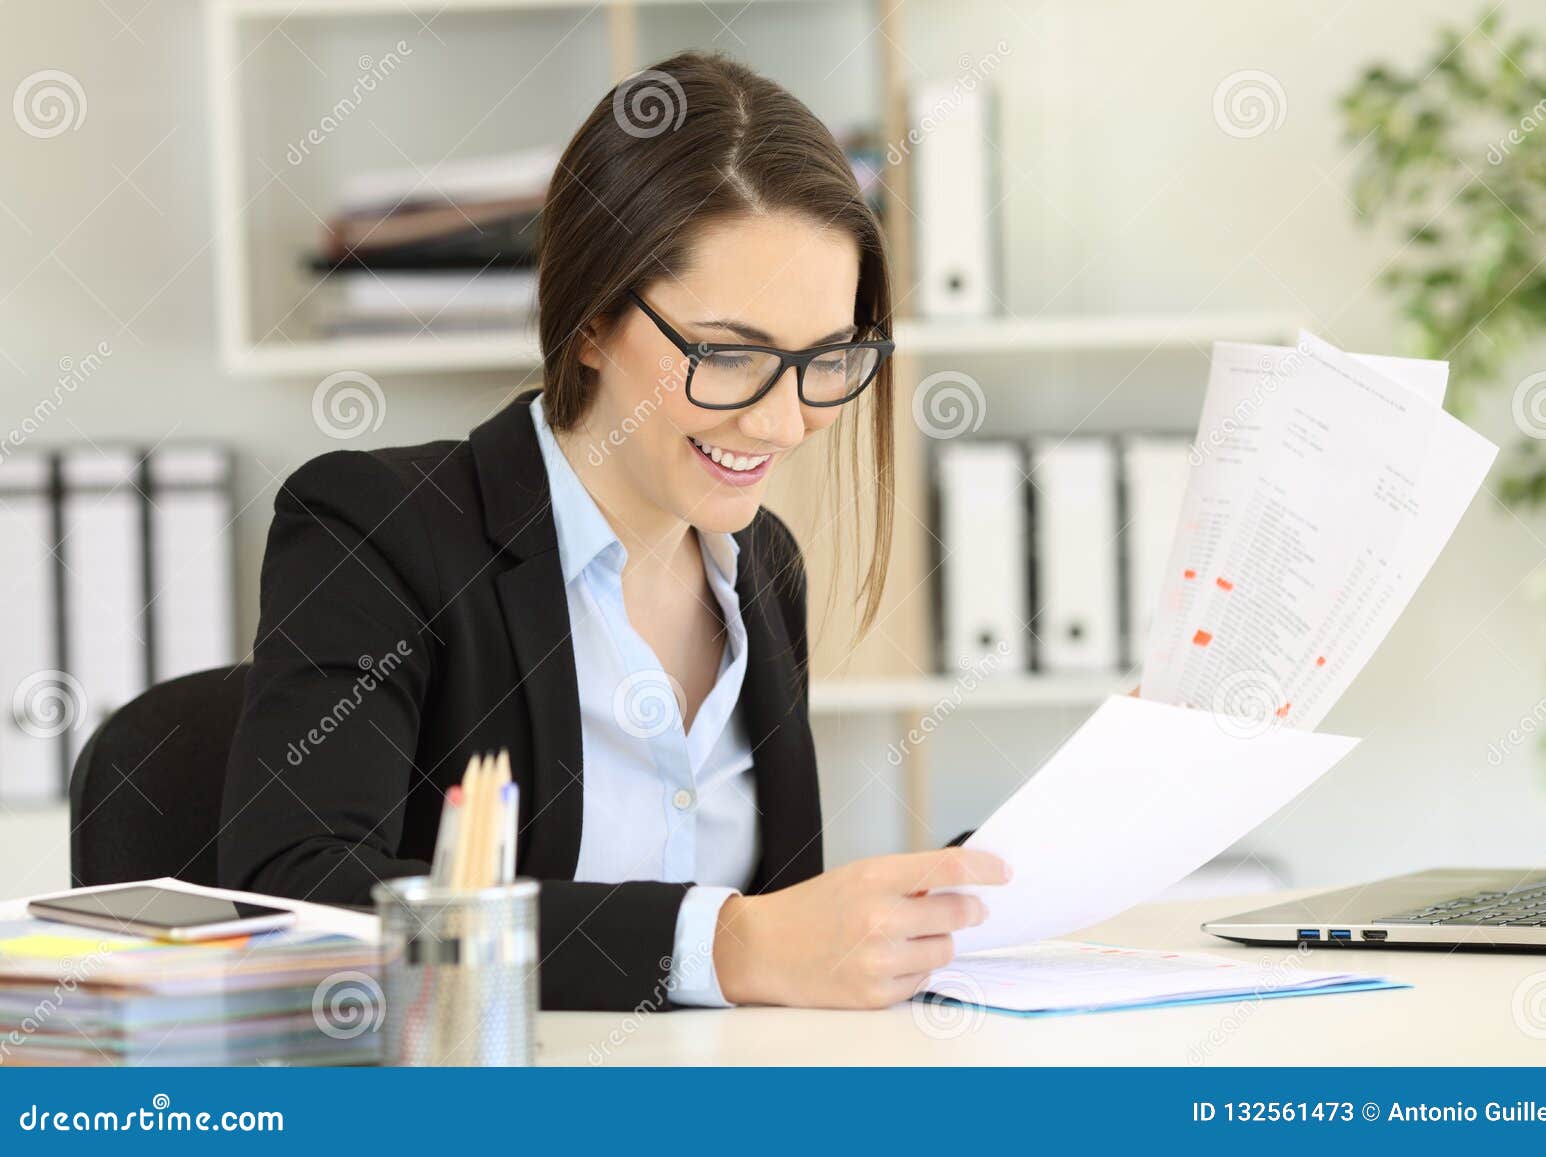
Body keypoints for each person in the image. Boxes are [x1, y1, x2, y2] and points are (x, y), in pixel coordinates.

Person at [218, 50, 1009, 1011]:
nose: (780, 422)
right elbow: (295, 900)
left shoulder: (762, 566)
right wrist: (722, 945)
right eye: (727, 354)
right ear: (591, 317)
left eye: (828, 359)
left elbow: (781, 947)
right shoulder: (375, 528)